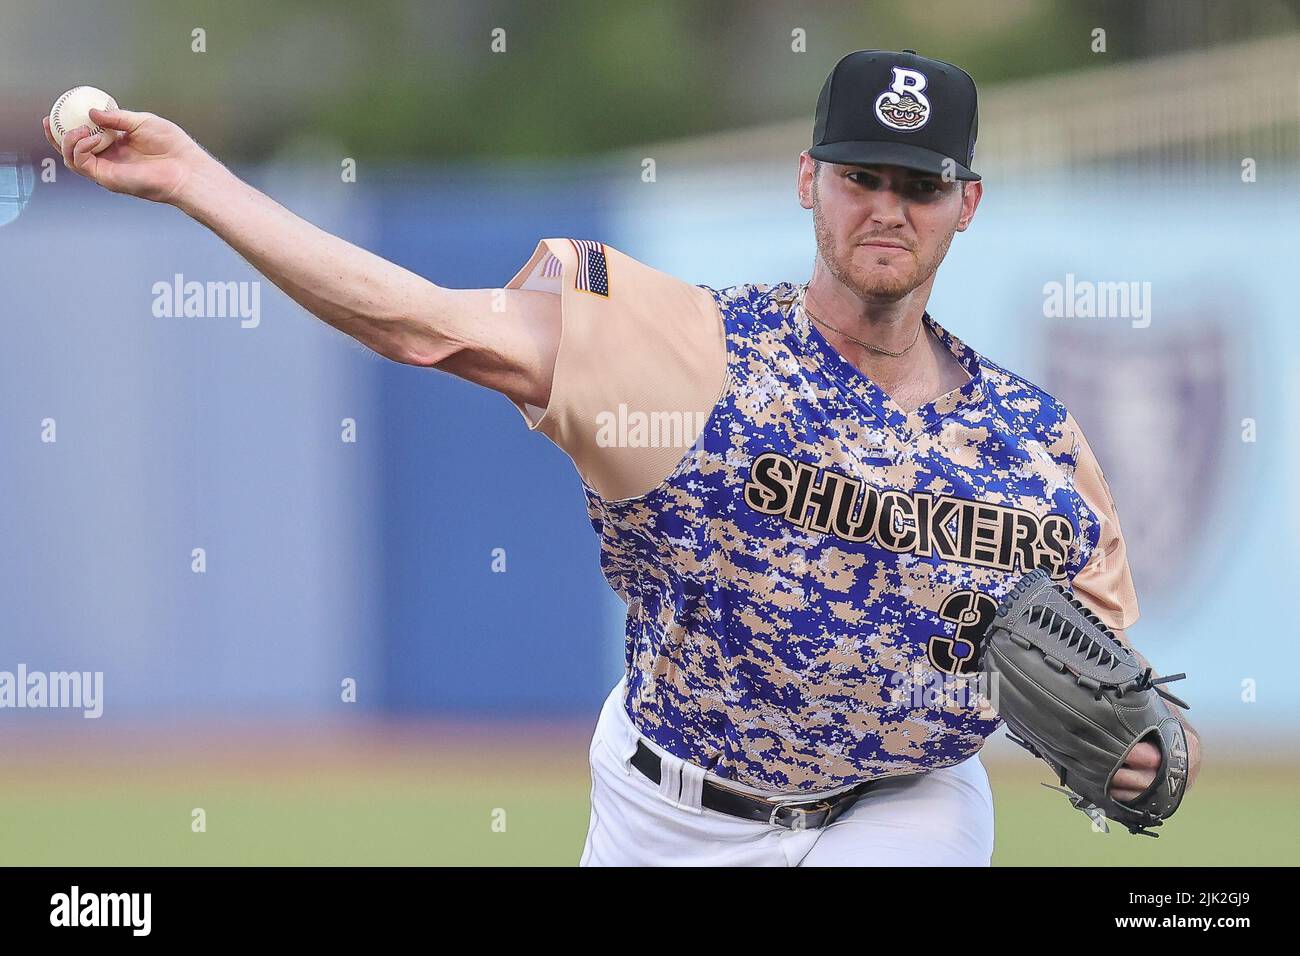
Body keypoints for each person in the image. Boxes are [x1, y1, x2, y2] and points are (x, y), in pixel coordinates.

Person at [45, 48, 1200, 866]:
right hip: (673, 815)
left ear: (966, 204)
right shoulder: (682, 347)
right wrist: (197, 179)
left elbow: (1114, 681)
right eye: (861, 175)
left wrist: (1157, 753)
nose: (885, 207)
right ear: (810, 182)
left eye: (919, 184)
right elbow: (418, 321)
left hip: (909, 812)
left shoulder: (1032, 444)